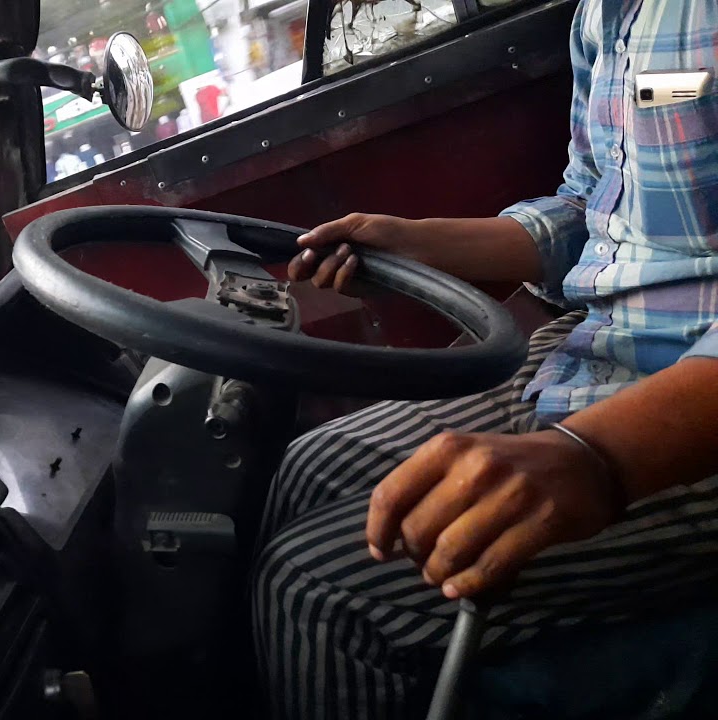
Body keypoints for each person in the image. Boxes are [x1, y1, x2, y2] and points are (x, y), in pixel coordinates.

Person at [254, 1, 718, 717]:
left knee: (318, 589)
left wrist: (594, 458)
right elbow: (588, 204)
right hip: (592, 348)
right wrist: (414, 240)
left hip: (689, 417)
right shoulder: (608, 13)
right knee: (308, 465)